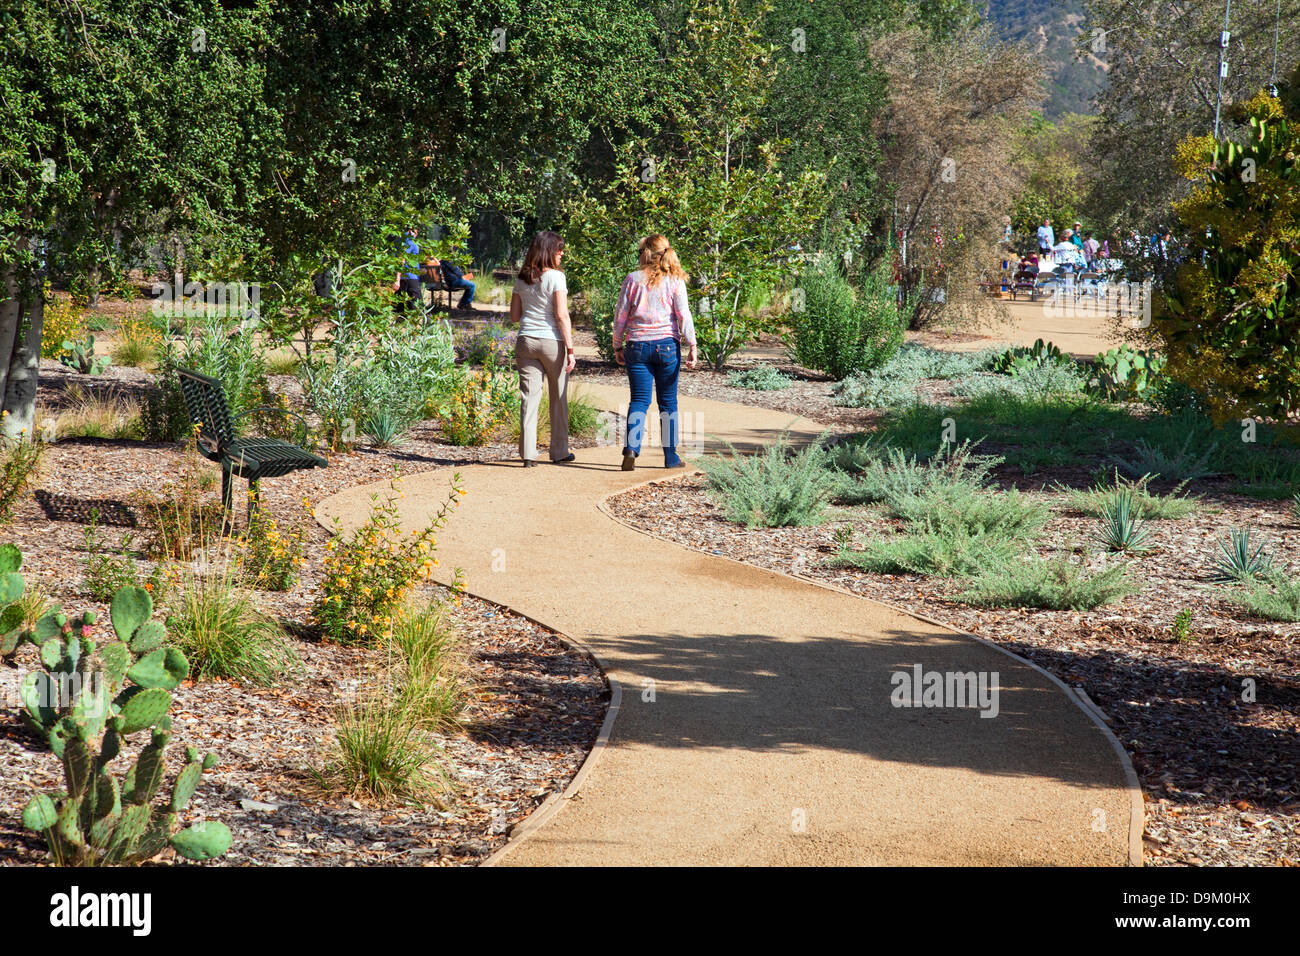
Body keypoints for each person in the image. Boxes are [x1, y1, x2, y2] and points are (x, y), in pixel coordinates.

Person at [613, 234, 698, 471]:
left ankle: (631, 448)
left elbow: (621, 315)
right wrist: (692, 345)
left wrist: (617, 345)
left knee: (639, 400)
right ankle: (671, 457)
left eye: (640, 251)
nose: (639, 255)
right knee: (668, 403)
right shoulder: (675, 280)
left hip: (637, 346)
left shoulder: (632, 279)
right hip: (667, 347)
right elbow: (683, 315)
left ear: (648, 253)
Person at [509, 231, 575, 466]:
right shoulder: (557, 277)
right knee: (558, 397)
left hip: (526, 340)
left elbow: (515, 316)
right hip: (552, 342)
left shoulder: (521, 279)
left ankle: (528, 454)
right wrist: (570, 349)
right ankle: (559, 453)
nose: (562, 253)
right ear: (549, 251)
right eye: (559, 249)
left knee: (529, 397)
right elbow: (561, 315)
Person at [391, 228, 423, 316]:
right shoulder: (409, 241)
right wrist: (397, 279)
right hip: (410, 276)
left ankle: (395, 323)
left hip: (407, 276)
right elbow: (402, 259)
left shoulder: (401, 240)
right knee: (417, 305)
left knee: (399, 304)